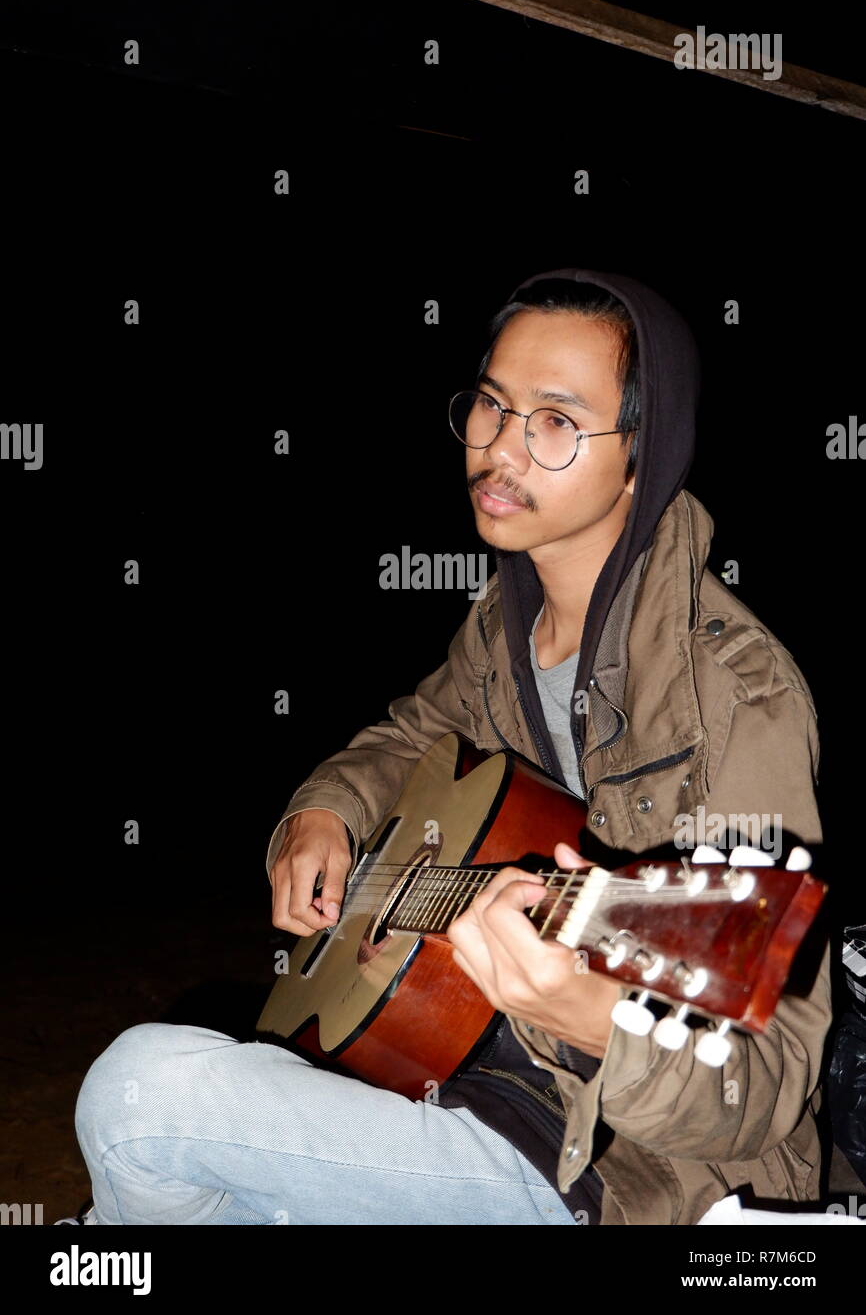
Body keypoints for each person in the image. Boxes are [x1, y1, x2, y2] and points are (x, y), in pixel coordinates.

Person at [71, 269, 832, 1225]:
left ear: (643, 459)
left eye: (556, 422)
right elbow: (408, 735)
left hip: (619, 1173)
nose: (502, 448)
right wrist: (324, 812)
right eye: (492, 405)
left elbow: (766, 1082)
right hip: (451, 1072)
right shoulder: (502, 628)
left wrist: (593, 1018)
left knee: (140, 1099)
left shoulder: (740, 698)